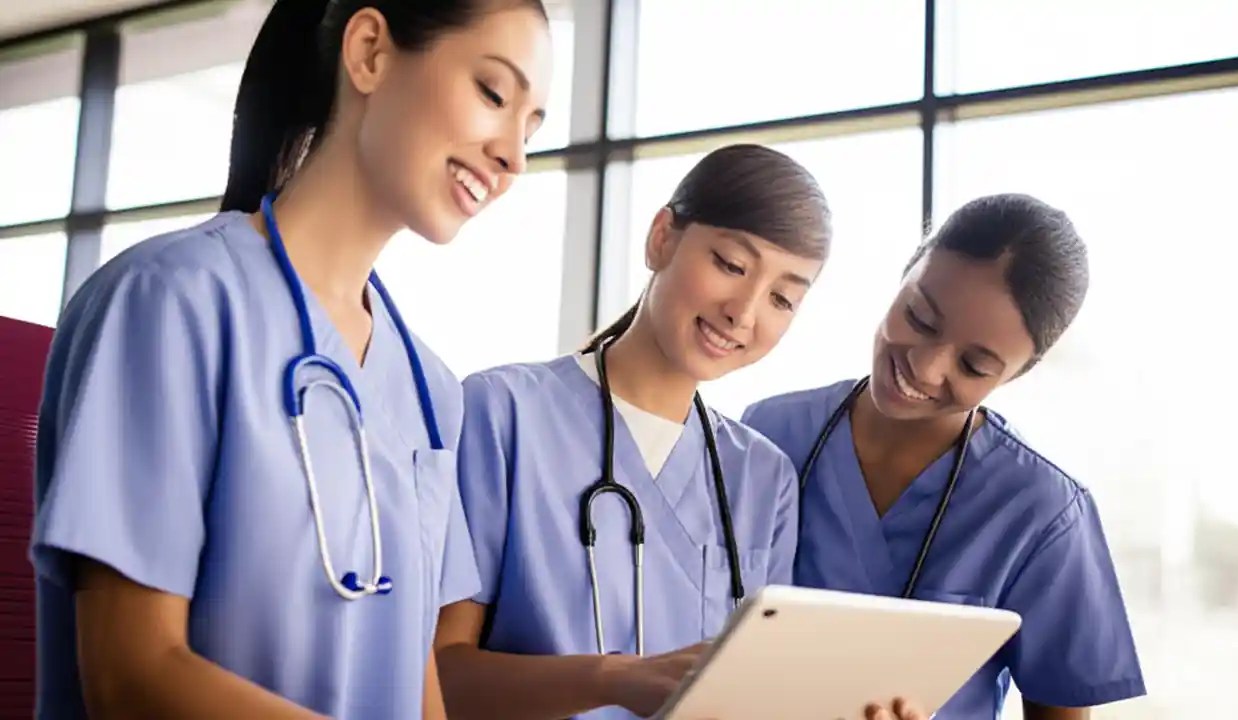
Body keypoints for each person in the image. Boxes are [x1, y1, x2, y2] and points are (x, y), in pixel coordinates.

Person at [28, 1, 552, 718]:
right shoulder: (170, 301)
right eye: (494, 94)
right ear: (369, 51)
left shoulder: (430, 390)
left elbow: (415, 673)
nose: (513, 157)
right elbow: (133, 674)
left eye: (531, 129)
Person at [432, 143, 926, 720]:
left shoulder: (762, 480)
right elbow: (439, 674)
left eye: (781, 297)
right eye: (731, 265)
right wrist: (612, 678)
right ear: (661, 237)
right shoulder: (503, 412)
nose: (743, 312)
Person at [742, 193, 1147, 719]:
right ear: (906, 272)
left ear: (1018, 372)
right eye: (920, 317)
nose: (925, 367)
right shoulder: (767, 432)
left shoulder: (1041, 509)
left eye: (975, 365)